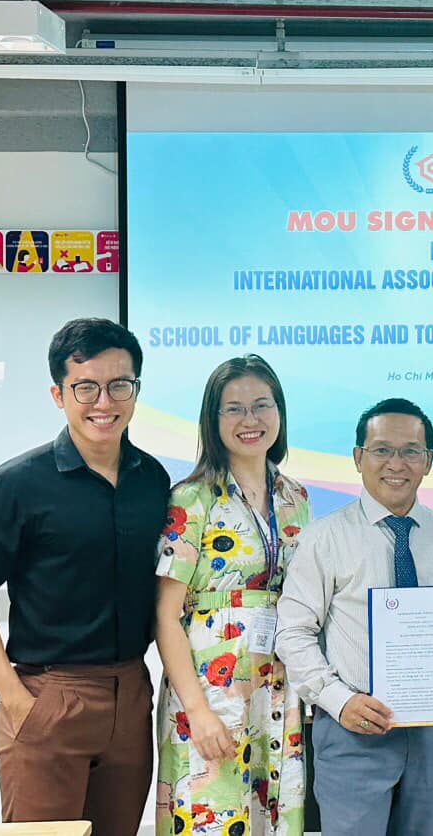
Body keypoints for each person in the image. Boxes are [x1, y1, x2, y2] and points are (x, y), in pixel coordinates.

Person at [0, 317, 170, 836]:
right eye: (85, 387)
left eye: (120, 385)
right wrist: (21, 702)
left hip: (132, 696)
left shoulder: (153, 479)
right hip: (49, 694)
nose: (103, 402)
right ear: (58, 394)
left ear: (136, 390)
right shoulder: (13, 486)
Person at [276, 398, 433, 836]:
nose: (397, 463)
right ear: (358, 457)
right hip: (353, 727)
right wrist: (339, 701)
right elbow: (293, 633)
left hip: (432, 733)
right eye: (382, 449)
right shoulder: (324, 538)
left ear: (428, 462)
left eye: (411, 451)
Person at [154, 355, 312, 836]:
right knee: (211, 818)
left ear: (279, 414)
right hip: (207, 691)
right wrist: (198, 712)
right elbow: (164, 616)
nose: (251, 420)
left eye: (262, 405)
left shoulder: (296, 497)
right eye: (234, 409)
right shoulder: (191, 498)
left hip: (277, 689)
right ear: (212, 419)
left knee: (274, 818)